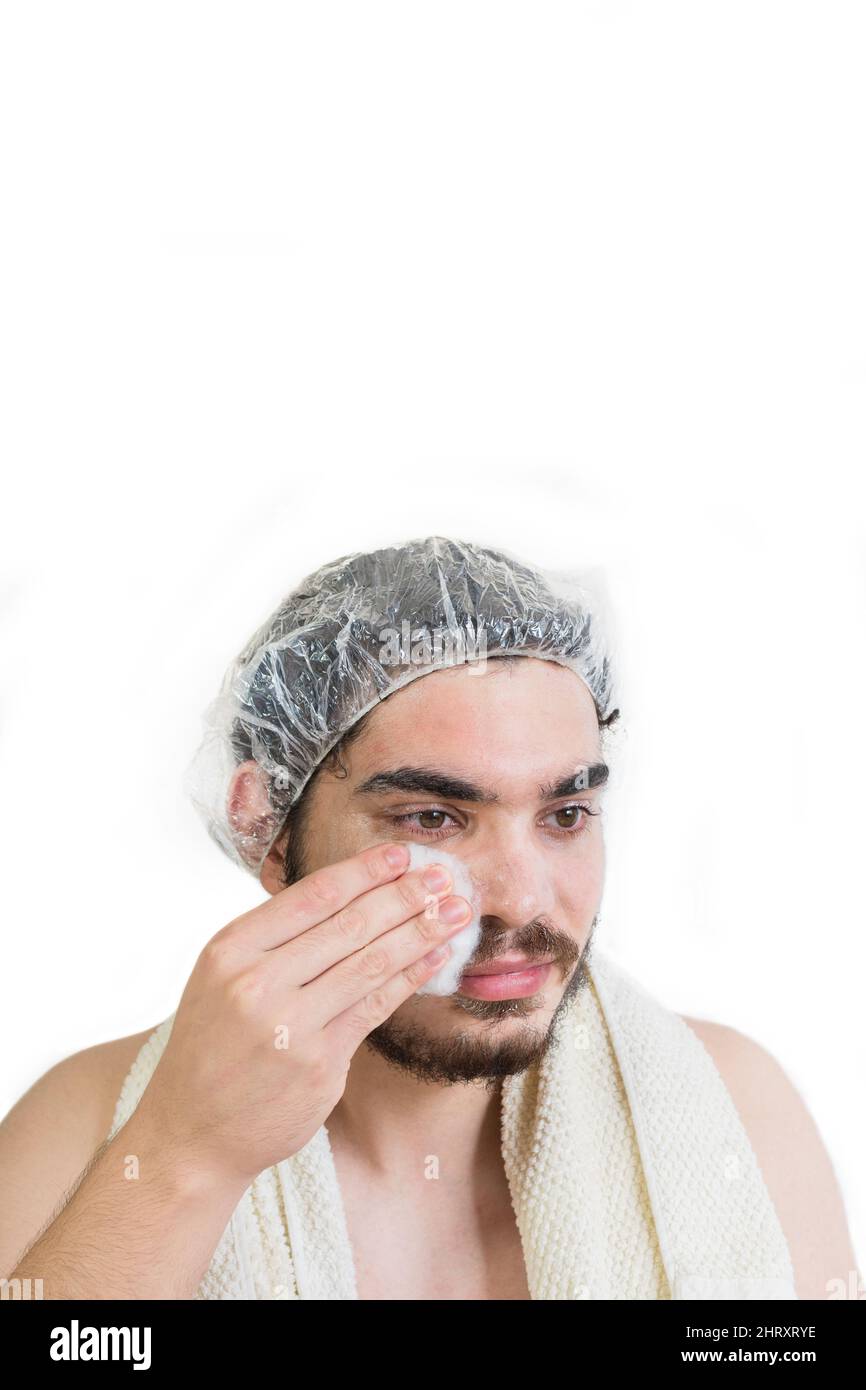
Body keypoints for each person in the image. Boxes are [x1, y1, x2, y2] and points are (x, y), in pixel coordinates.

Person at [1, 536, 859, 1300]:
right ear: (267, 830)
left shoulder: (733, 1107)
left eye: (564, 816)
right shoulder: (94, 1127)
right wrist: (189, 1157)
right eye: (432, 819)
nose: (520, 901)